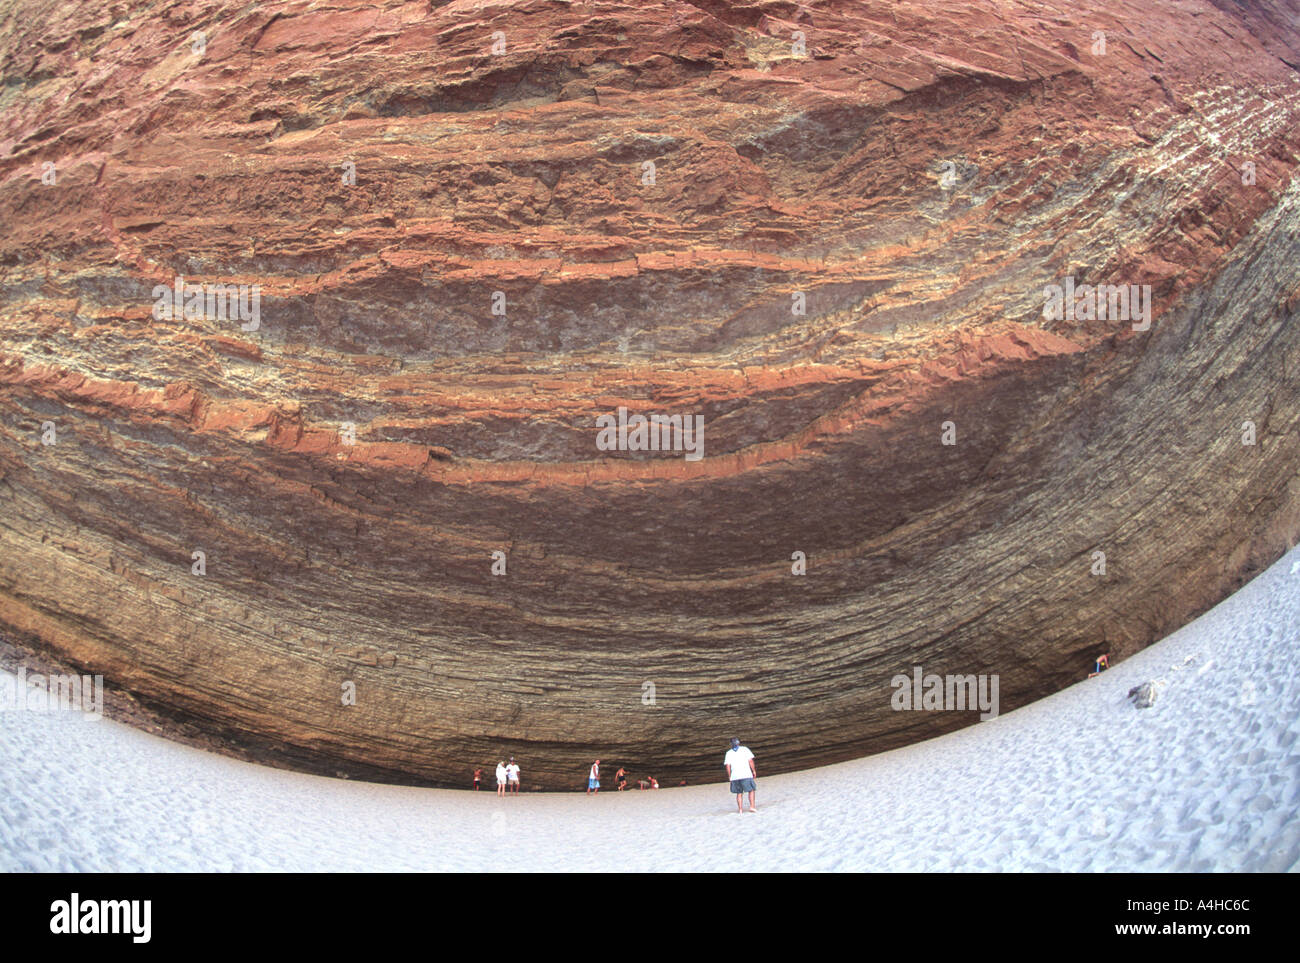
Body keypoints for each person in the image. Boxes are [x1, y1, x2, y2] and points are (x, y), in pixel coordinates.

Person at [724, 737, 757, 812]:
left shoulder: (728, 753)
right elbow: (750, 761)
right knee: (751, 790)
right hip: (746, 774)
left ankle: (740, 809)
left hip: (735, 776)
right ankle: (752, 806)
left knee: (739, 793)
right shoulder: (745, 749)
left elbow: (728, 766)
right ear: (738, 742)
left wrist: (730, 776)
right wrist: (754, 771)